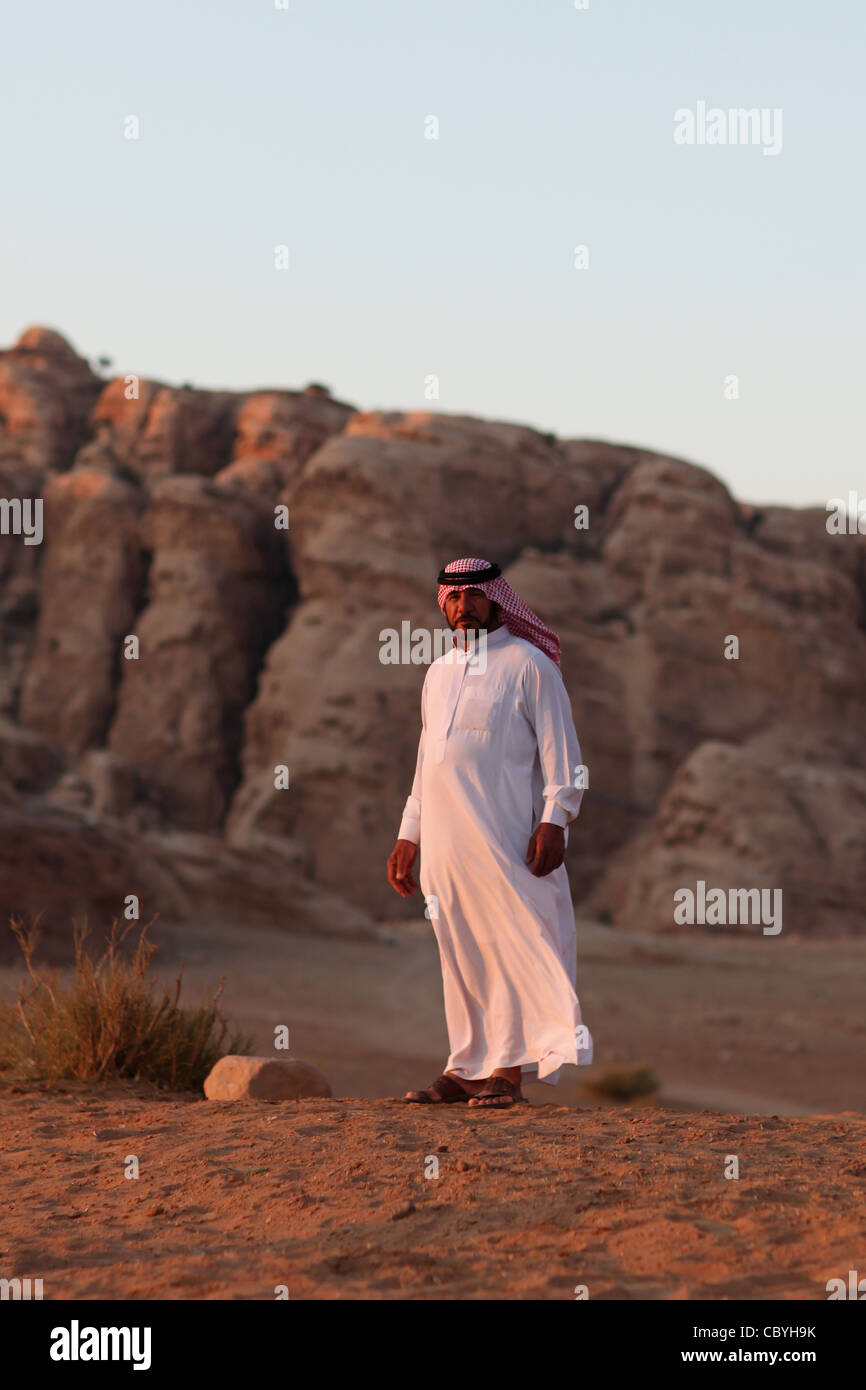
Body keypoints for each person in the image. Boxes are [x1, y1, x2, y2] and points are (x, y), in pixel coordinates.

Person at [387, 556, 593, 1109]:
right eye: (453, 598)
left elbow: (565, 759)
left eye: (474, 595)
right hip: (447, 844)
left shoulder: (529, 666)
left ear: (497, 600)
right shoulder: (437, 674)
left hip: (507, 839)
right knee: (460, 953)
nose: (463, 606)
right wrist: (410, 833)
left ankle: (507, 1070)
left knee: (511, 947)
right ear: (443, 605)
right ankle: (465, 1067)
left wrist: (556, 820)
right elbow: (426, 762)